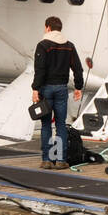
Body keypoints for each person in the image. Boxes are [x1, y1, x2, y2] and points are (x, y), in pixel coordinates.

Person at [32, 16, 83, 169]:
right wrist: (78, 87)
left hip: (46, 89)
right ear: (60, 29)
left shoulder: (43, 45)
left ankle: (46, 160)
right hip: (62, 89)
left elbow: (39, 70)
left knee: (46, 124)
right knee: (60, 124)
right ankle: (61, 160)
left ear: (47, 28)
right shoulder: (69, 46)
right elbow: (78, 68)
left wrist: (35, 88)